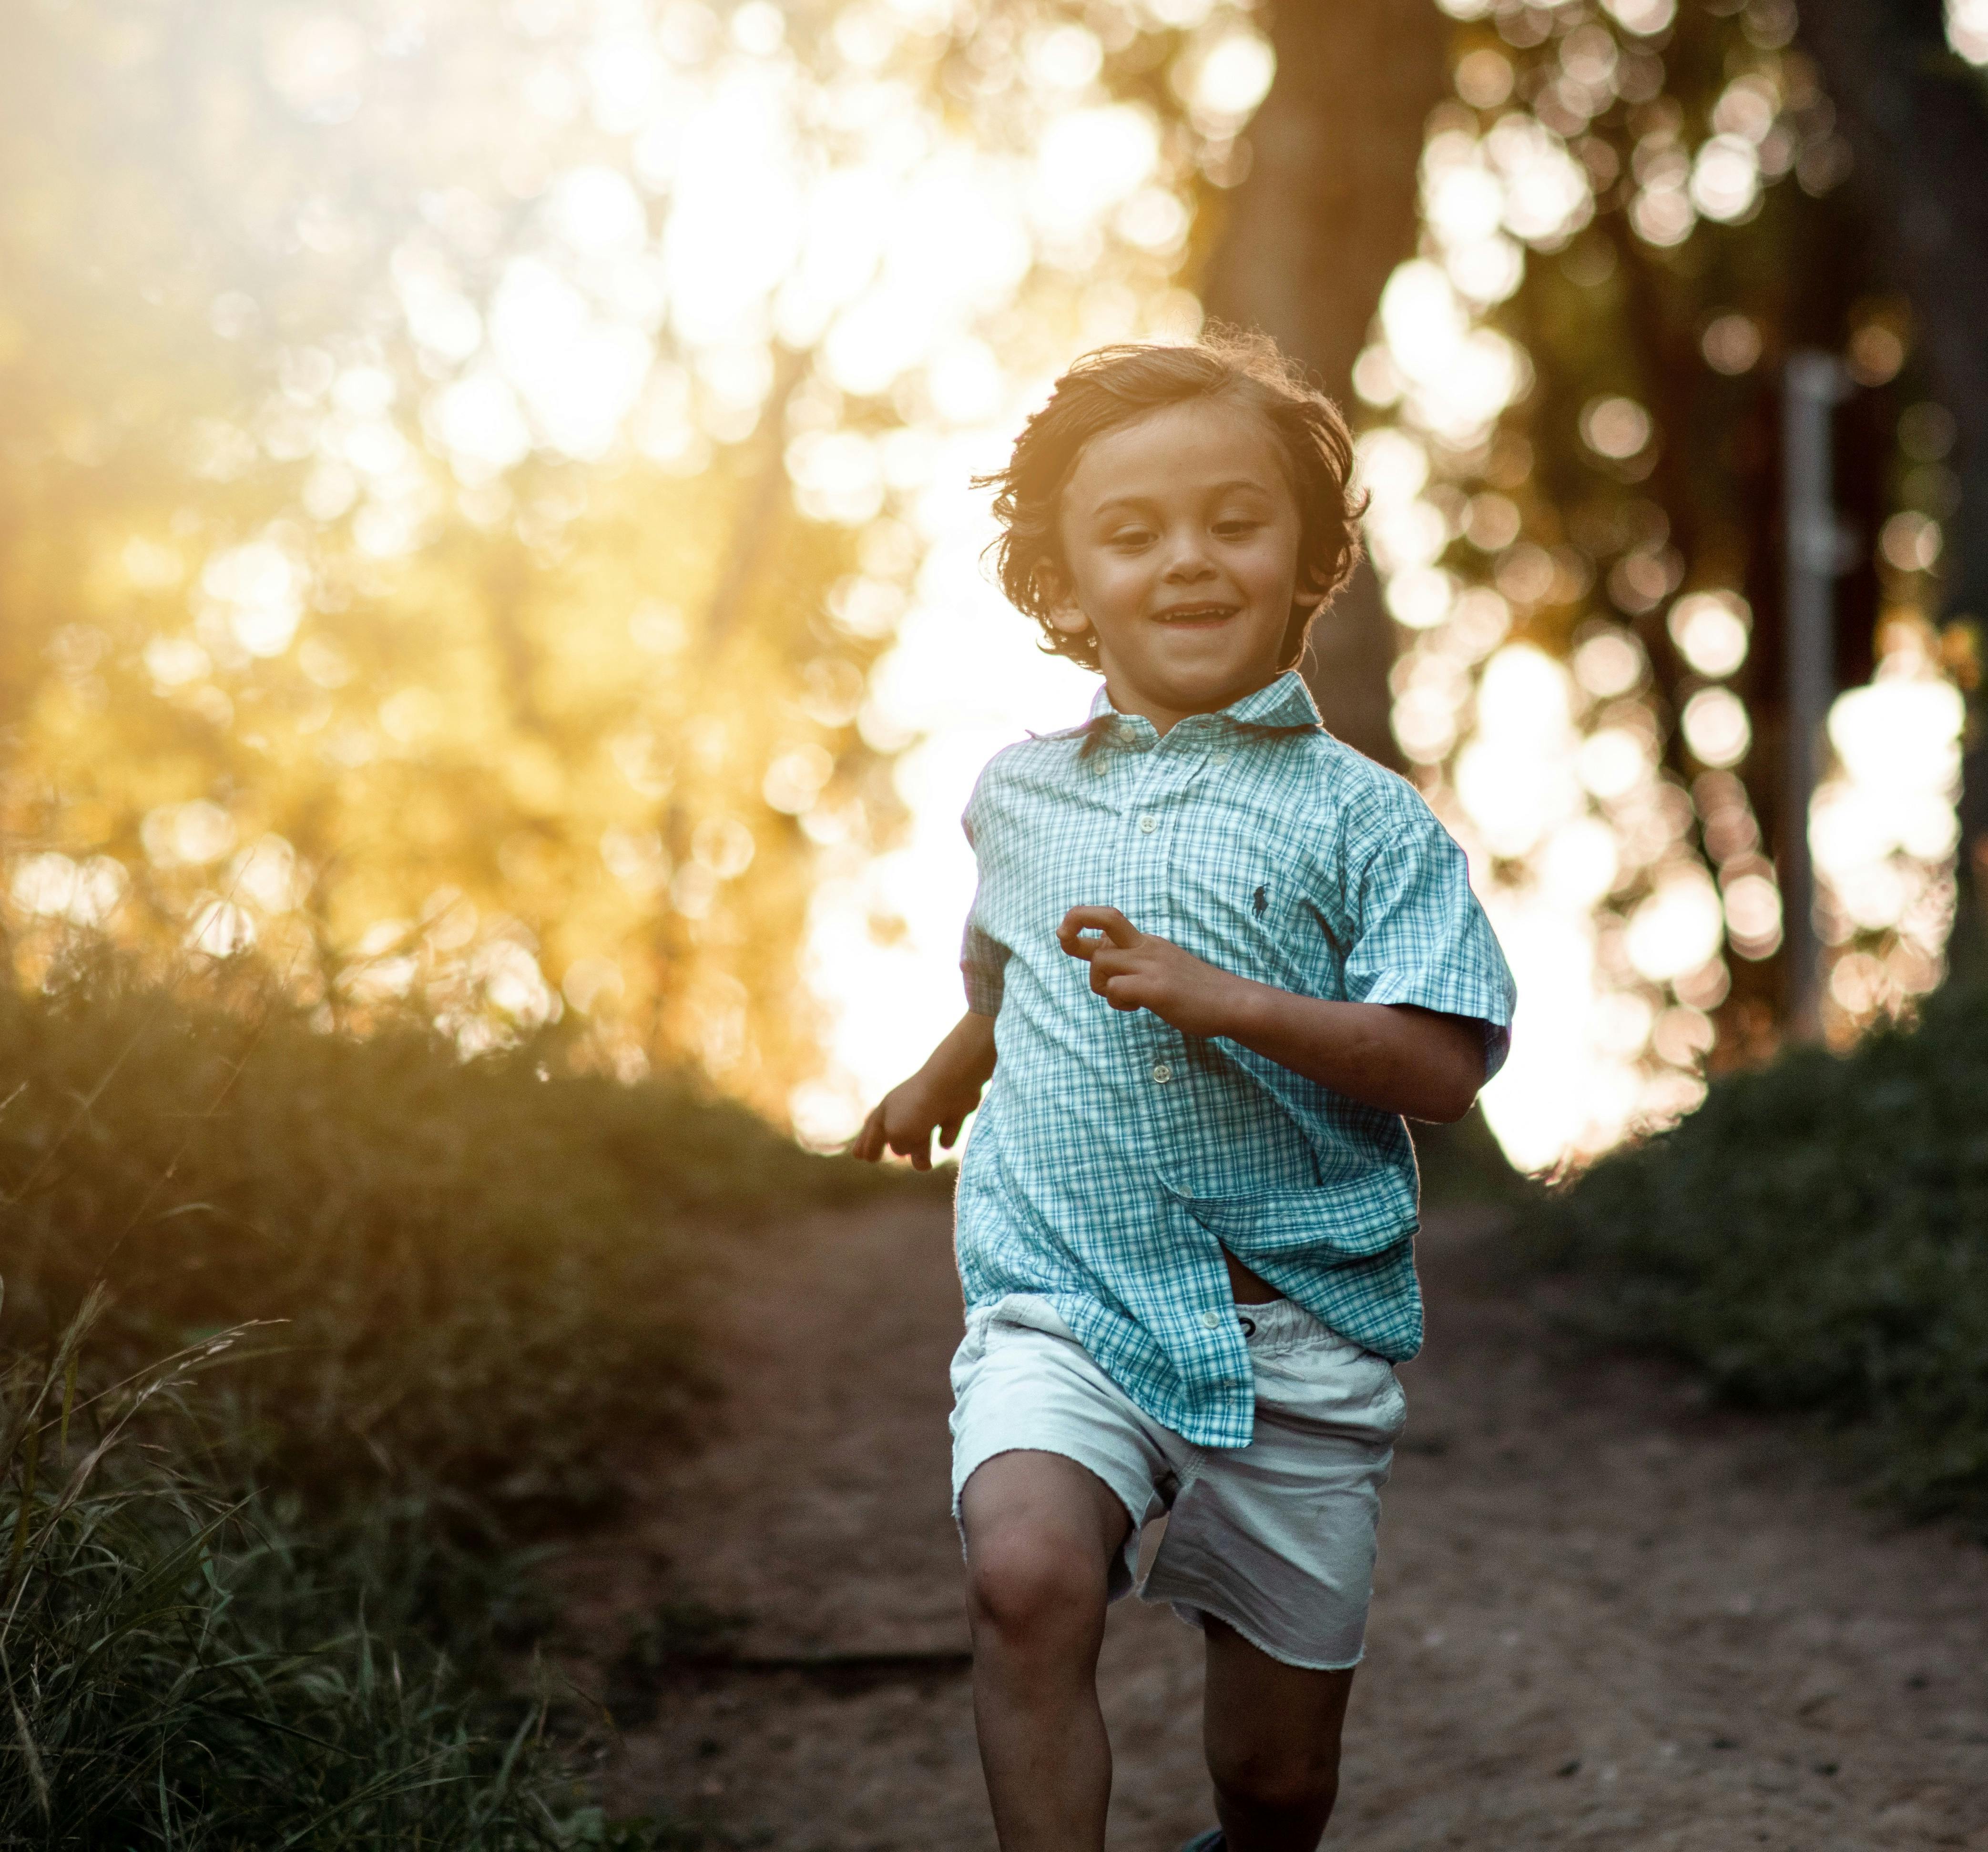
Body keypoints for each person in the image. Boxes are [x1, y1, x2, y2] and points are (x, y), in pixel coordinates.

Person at [852, 328, 1516, 1852]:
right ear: (1062, 585)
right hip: (1062, 1302)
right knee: (1021, 1575)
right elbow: (1008, 968)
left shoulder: (1366, 821)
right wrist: (943, 1068)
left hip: (1295, 1334)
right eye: (1131, 535)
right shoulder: (1013, 796)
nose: (1189, 562)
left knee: (1275, 1789)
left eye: (1235, 520)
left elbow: (1442, 1063)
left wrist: (1235, 1005)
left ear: (1306, 559)